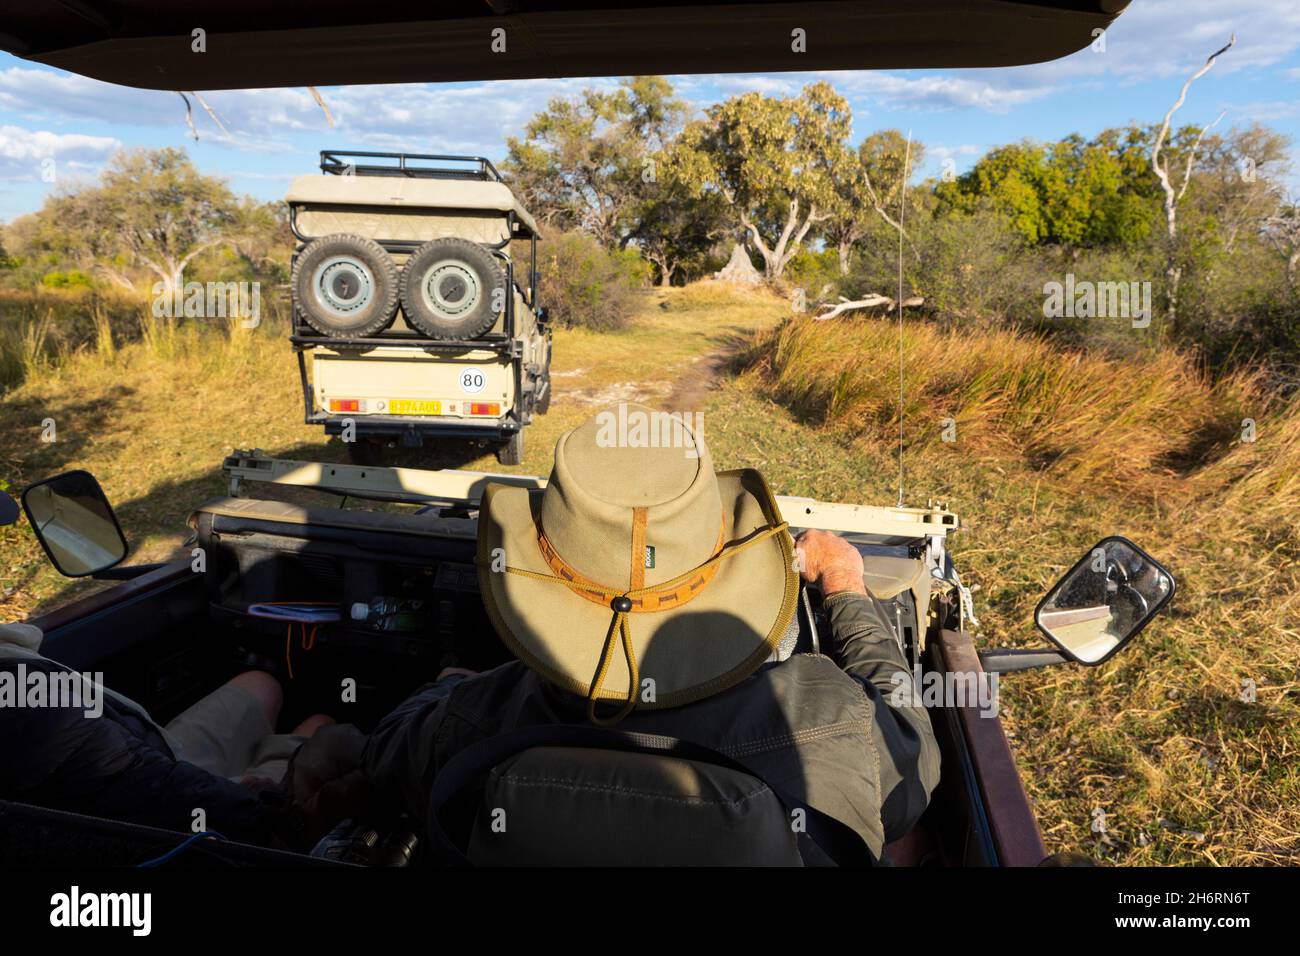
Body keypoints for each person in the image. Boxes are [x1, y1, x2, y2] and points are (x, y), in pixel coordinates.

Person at [356, 404, 940, 863]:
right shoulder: (831, 717)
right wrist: (842, 583)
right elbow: (912, 763)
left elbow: (382, 759)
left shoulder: (475, 719)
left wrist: (452, 683)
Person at [0, 619, 334, 845]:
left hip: (153, 755)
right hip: (179, 807)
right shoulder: (28, 708)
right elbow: (162, 790)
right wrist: (269, 807)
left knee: (261, 684)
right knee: (320, 728)